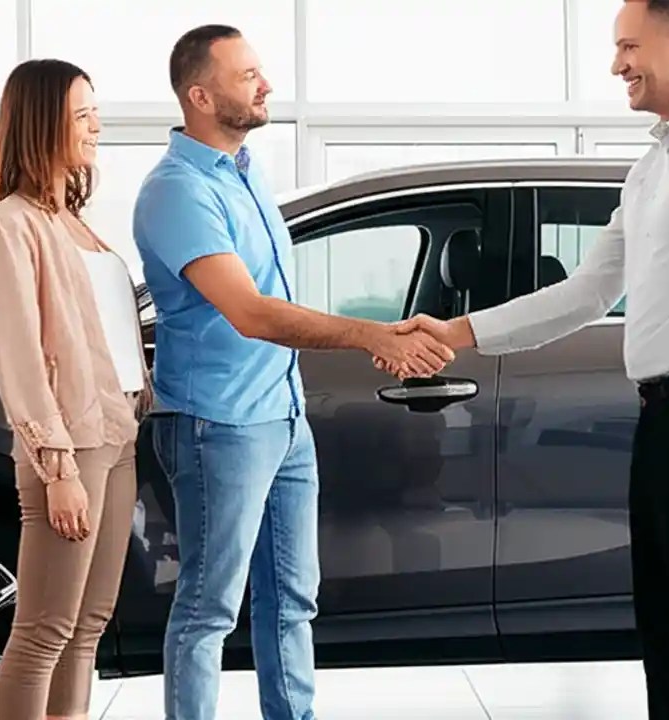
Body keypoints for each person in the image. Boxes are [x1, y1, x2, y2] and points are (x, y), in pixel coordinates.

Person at [383, 1, 669, 717]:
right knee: (668, 627)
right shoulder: (652, 169)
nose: (617, 66)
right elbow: (585, 293)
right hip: (663, 421)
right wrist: (456, 332)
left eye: (628, 47)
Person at [131, 24, 453, 720]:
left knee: (291, 599)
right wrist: (370, 335)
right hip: (219, 423)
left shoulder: (246, 174)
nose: (266, 85)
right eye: (247, 75)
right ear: (200, 95)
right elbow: (250, 312)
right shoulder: (177, 191)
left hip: (282, 416)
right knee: (209, 607)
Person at [0, 58, 153, 720]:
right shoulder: (12, 223)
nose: (95, 127)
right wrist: (57, 468)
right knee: (44, 632)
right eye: (82, 115)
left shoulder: (73, 221)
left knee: (87, 629)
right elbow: (17, 353)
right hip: (69, 447)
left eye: (94, 113)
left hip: (116, 433)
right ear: (43, 123)